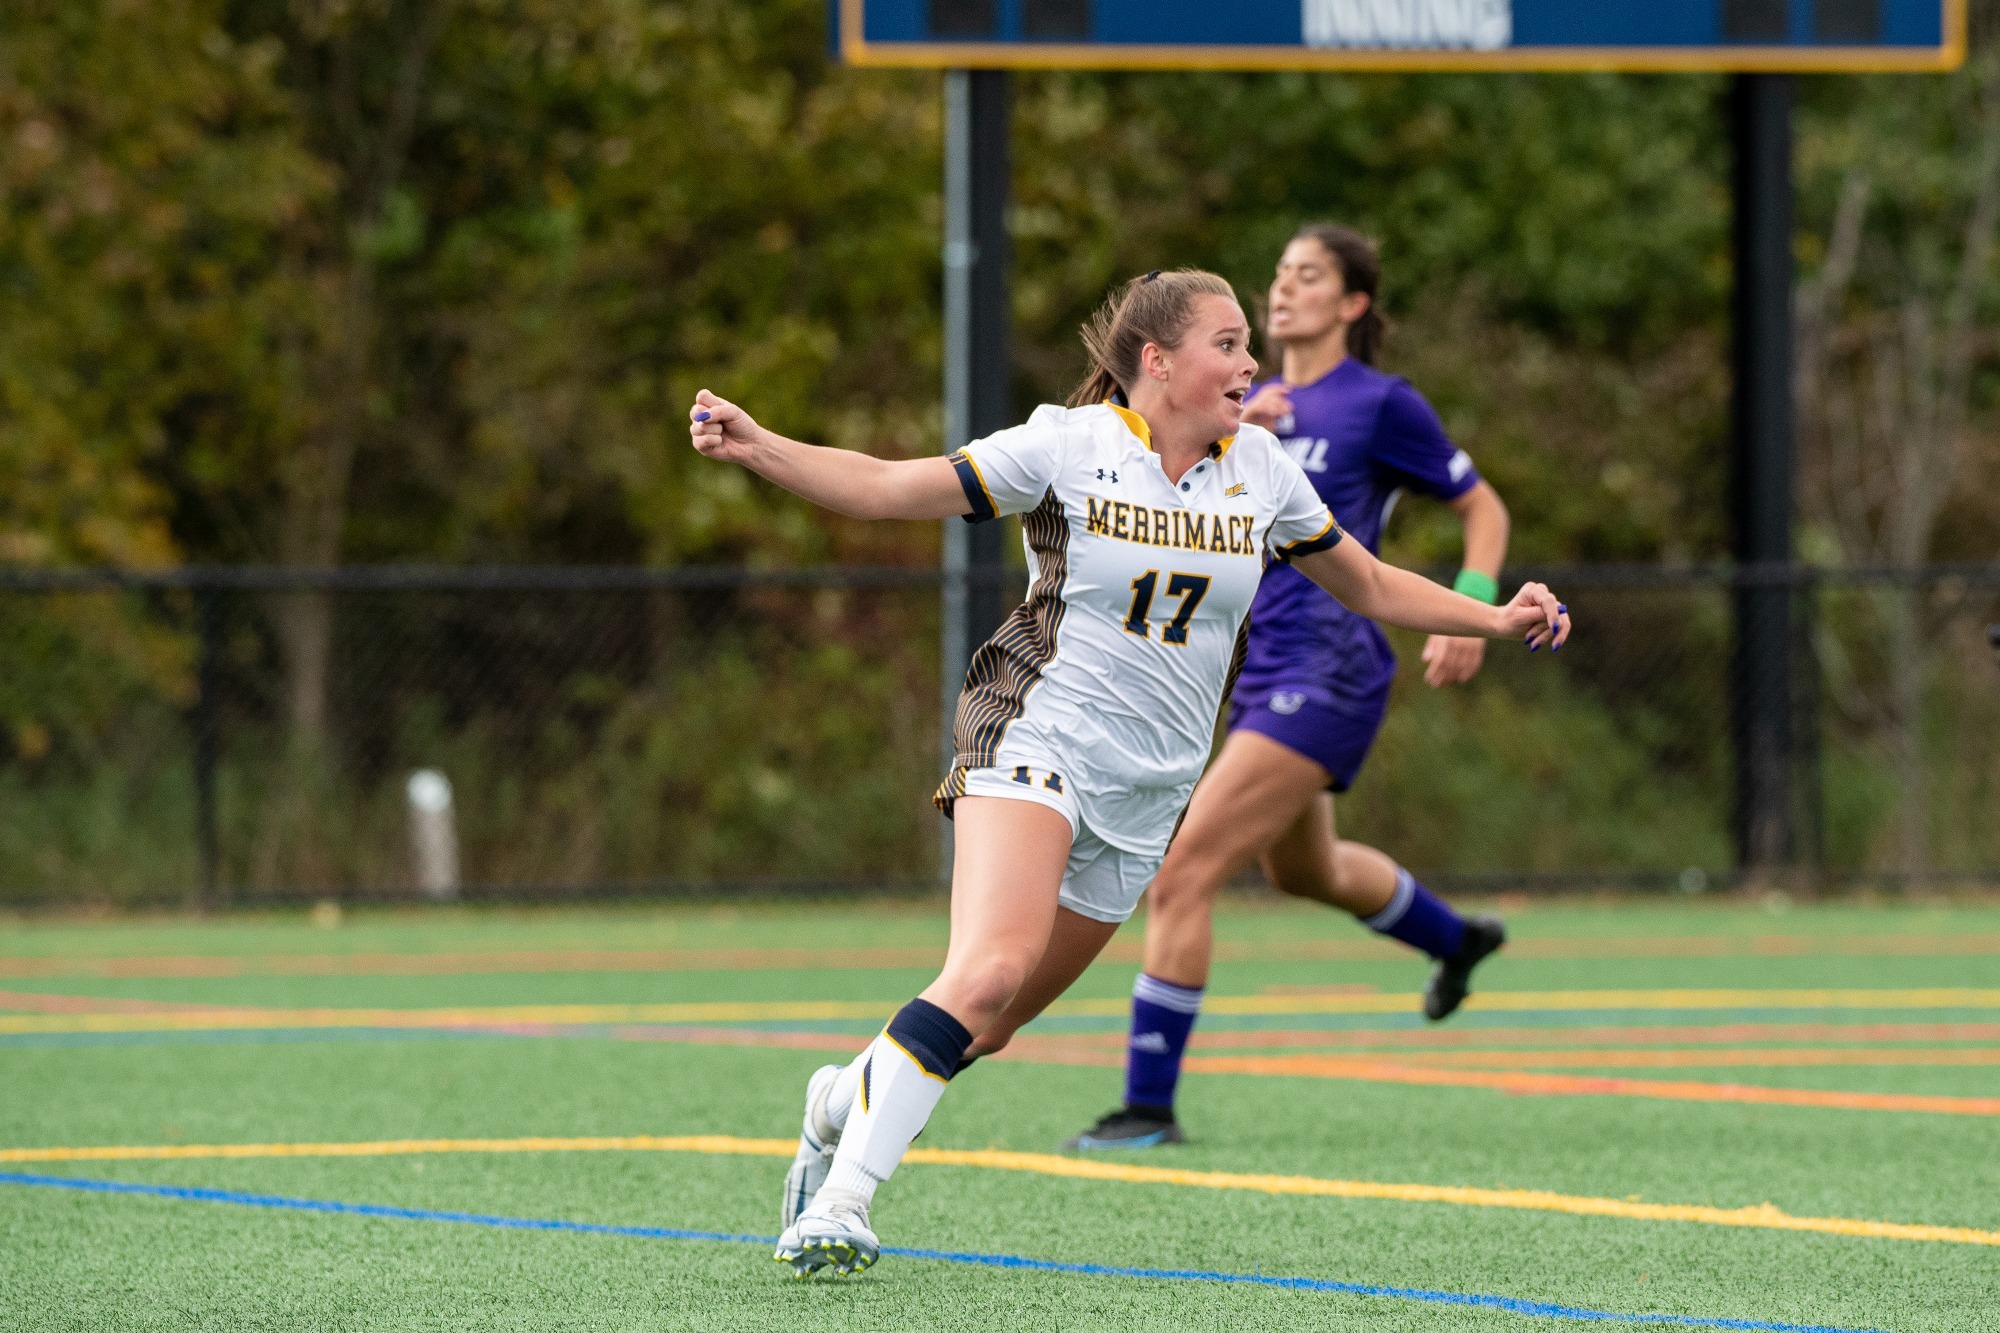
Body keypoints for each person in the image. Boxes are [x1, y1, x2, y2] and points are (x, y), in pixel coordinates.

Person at [687, 269, 1569, 1278]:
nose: (1249, 365)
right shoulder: (1067, 447)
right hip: (1035, 733)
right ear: (1156, 361)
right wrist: (762, 448)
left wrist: (1492, 616)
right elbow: (893, 487)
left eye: (1247, 345)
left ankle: (835, 1100)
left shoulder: (1263, 471)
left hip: (1149, 787)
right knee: (985, 970)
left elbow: (1365, 581)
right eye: (1227, 344)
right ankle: (841, 1201)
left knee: (993, 1022)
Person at [1065, 225, 1523, 1152]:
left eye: (1309, 277)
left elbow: (1483, 507)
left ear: (1353, 303)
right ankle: (1454, 939)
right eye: (1277, 273)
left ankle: (1147, 1106)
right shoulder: (1242, 405)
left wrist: (1472, 607)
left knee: (1184, 865)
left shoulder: (1380, 404)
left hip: (1331, 667)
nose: (1284, 291)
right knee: (1302, 870)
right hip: (1261, 663)